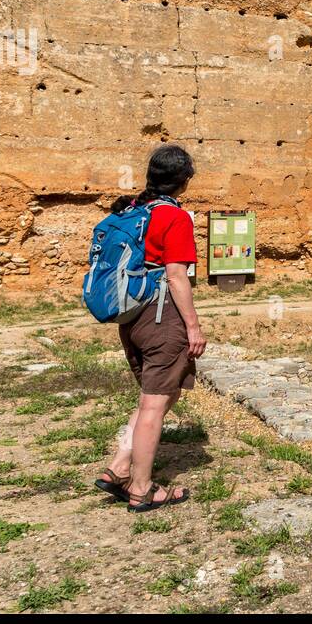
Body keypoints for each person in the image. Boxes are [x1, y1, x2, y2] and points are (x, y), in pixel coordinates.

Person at [94, 145, 207, 512]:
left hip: (132, 319)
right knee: (154, 405)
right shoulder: (174, 217)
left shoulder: (134, 210)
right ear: (183, 181)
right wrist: (193, 326)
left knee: (157, 397)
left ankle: (119, 465)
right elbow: (176, 276)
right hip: (161, 318)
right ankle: (142, 490)